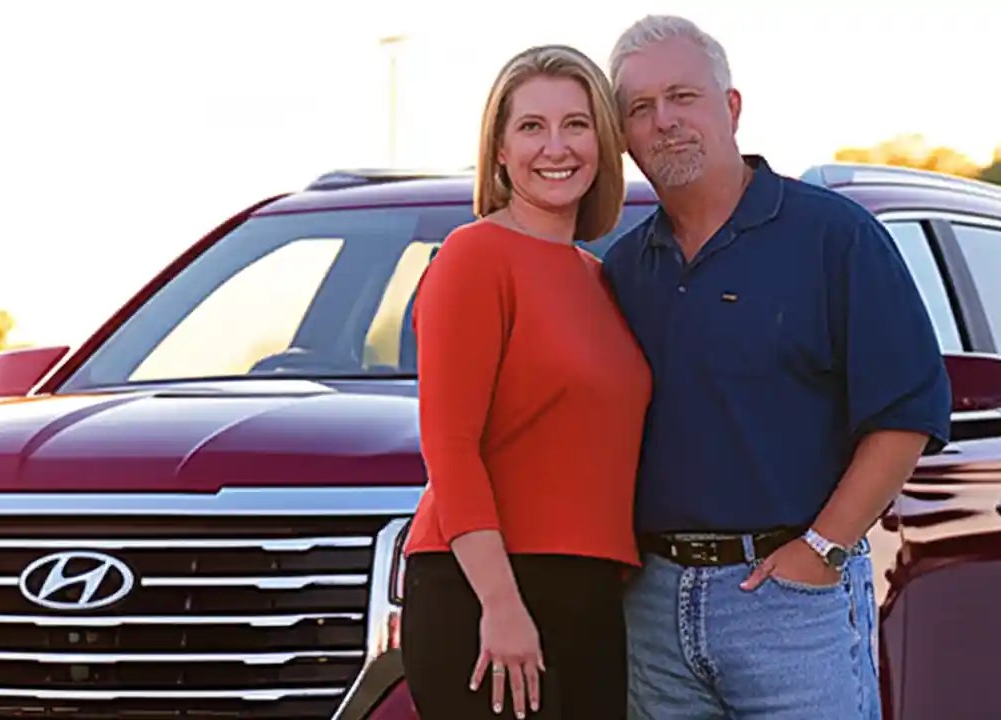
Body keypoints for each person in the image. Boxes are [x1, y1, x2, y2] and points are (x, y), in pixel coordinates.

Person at [600, 15, 951, 720]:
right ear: (624, 136)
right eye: (640, 109)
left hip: (793, 605)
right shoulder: (622, 269)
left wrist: (820, 553)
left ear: (730, 107)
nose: (663, 121)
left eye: (683, 97)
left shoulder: (834, 237)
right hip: (651, 610)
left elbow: (907, 413)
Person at [398, 44, 651, 720]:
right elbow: (450, 447)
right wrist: (502, 606)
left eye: (576, 124)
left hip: (593, 598)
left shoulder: (600, 280)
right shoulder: (474, 256)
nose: (556, 147)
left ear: (603, 141)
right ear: (500, 150)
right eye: (531, 127)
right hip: (485, 595)